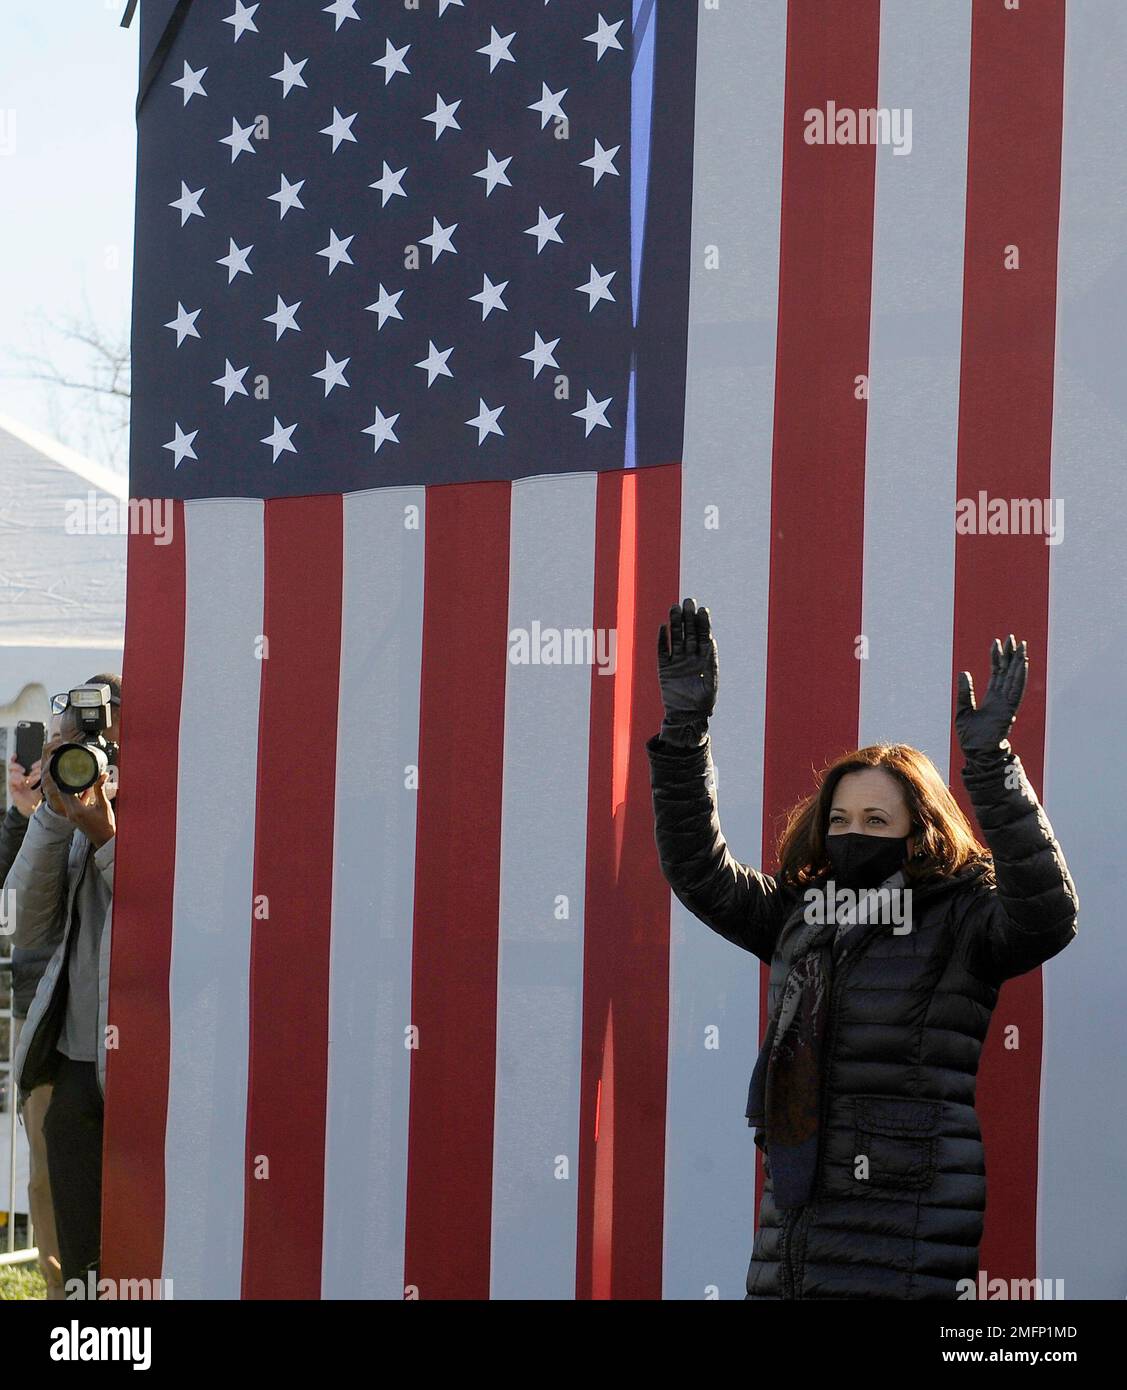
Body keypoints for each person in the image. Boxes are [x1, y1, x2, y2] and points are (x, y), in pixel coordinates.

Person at [647, 599, 1078, 1300]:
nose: (852, 831)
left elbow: (1047, 915)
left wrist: (993, 768)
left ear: (918, 832)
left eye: (875, 819)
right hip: (794, 1231)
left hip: (903, 1228)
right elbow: (700, 870)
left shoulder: (962, 915)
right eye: (840, 818)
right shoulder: (799, 913)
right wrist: (684, 732)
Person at [8, 675, 121, 1291]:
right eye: (69, 743)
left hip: (152, 1068)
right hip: (78, 1064)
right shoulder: (67, 809)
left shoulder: (182, 805)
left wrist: (106, 835)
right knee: (82, 1265)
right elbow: (25, 923)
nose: (85, 755)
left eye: (98, 738)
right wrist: (53, 813)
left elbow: (175, 920)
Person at [2, 748, 65, 1298]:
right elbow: (12, 914)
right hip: (41, 1016)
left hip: (122, 1017)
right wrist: (25, 813)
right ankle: (62, 1302)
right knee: (46, 1177)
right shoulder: (43, 809)